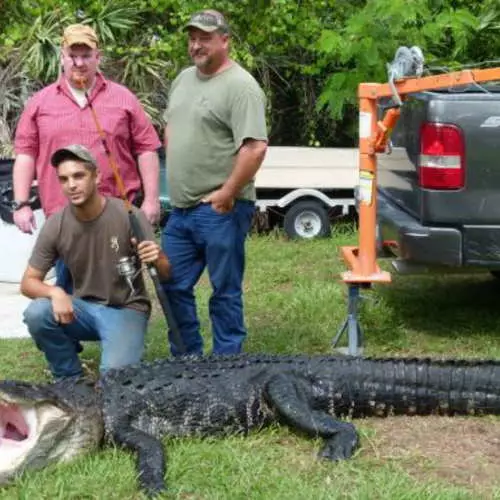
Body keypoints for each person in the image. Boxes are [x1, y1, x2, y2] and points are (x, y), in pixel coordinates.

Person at [12, 23, 162, 289]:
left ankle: (120, 327)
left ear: (98, 57)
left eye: (86, 55)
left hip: (118, 215)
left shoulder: (124, 99)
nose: (79, 62)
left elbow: (146, 148)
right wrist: (21, 203)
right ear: (62, 56)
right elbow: (25, 154)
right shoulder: (39, 103)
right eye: (73, 55)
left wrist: (151, 200)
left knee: (122, 288)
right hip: (63, 217)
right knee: (67, 291)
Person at [161, 10, 268, 356]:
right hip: (180, 210)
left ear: (225, 40)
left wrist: (227, 192)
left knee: (224, 289)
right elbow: (171, 126)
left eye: (205, 38)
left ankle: (227, 366)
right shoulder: (183, 79)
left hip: (221, 208)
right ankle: (188, 360)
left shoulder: (241, 86)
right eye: (192, 38)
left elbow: (254, 147)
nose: (196, 45)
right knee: (171, 284)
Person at [20, 145, 170, 381]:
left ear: (97, 176)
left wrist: (158, 258)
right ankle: (69, 380)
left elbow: (166, 274)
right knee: (37, 313)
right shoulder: (56, 224)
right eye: (64, 179)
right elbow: (27, 282)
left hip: (126, 309)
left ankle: (118, 359)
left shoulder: (129, 215)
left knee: (114, 381)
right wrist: (55, 292)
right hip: (82, 309)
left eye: (79, 176)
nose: (71, 185)